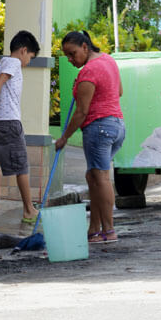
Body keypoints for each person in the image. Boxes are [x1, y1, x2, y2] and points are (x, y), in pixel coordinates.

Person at [55, 31, 125, 244]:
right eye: (67, 55)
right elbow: (119, 91)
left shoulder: (89, 71)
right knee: (93, 177)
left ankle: (109, 230)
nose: (70, 59)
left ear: (85, 47)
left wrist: (64, 137)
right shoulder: (108, 60)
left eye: (73, 53)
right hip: (117, 126)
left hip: (98, 128)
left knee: (101, 178)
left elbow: (81, 112)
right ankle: (94, 229)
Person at [0, 30, 40, 224]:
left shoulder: (1, 64)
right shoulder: (13, 62)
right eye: (30, 57)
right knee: (21, 167)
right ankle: (29, 210)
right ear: (23, 50)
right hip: (9, 123)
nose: (28, 61)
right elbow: (0, 82)